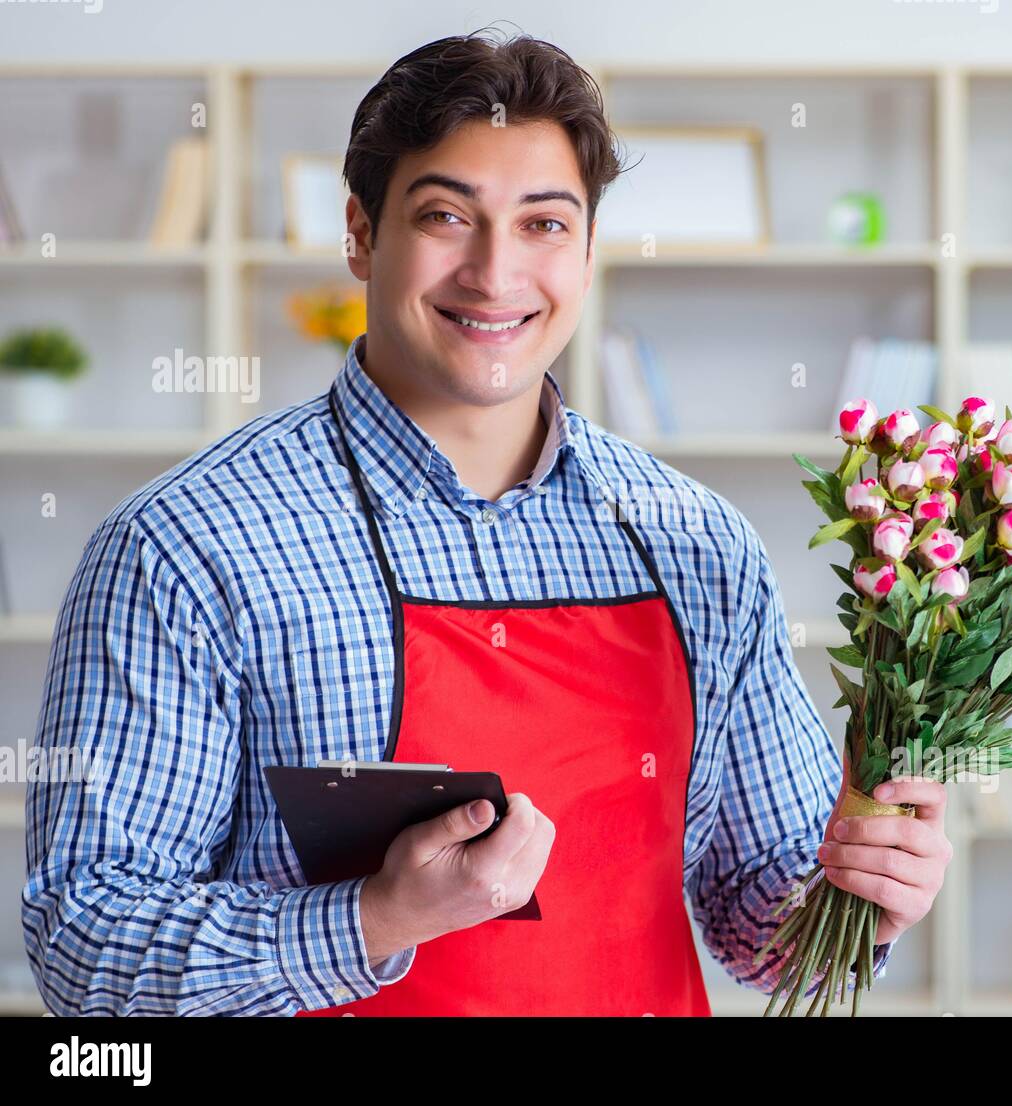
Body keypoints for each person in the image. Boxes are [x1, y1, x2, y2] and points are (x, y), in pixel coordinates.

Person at [22, 27, 952, 1017]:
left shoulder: (699, 544)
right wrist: (374, 918)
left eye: (544, 224)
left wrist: (862, 897)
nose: (495, 272)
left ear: (588, 249)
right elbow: (86, 940)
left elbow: (760, 932)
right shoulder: (187, 545)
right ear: (360, 233)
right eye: (444, 215)